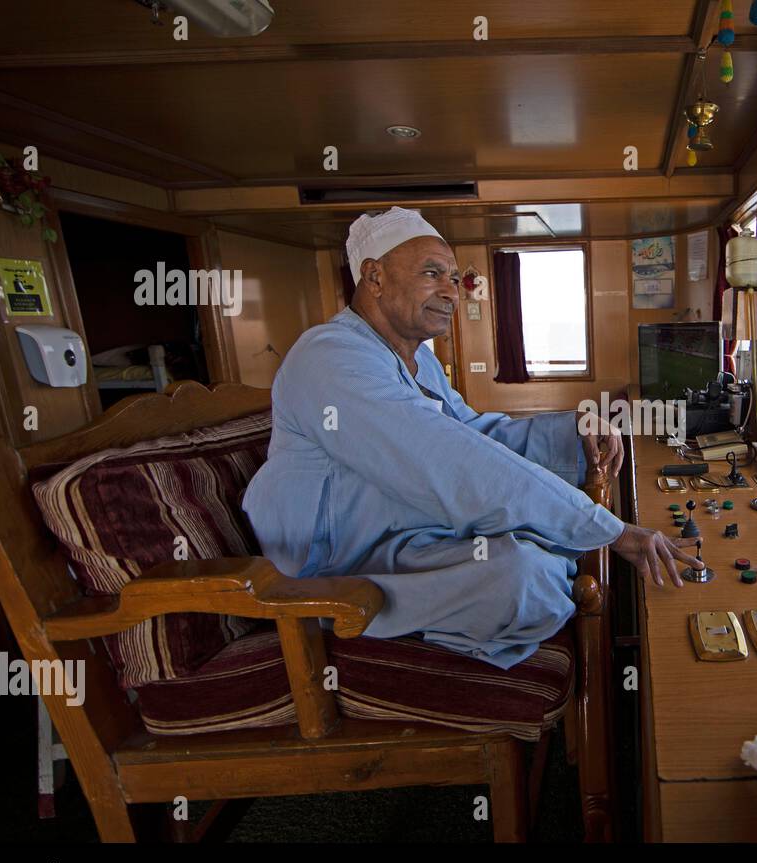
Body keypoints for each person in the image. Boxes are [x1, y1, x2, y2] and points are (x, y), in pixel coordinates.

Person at [243, 207, 700, 668]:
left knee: (537, 552)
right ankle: (438, 660)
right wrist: (612, 531)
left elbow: (479, 433)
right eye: (431, 273)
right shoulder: (330, 358)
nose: (451, 290)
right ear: (373, 276)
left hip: (402, 537)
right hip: (336, 570)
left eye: (454, 277)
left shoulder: (417, 361)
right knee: (524, 578)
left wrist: (573, 427)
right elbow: (448, 460)